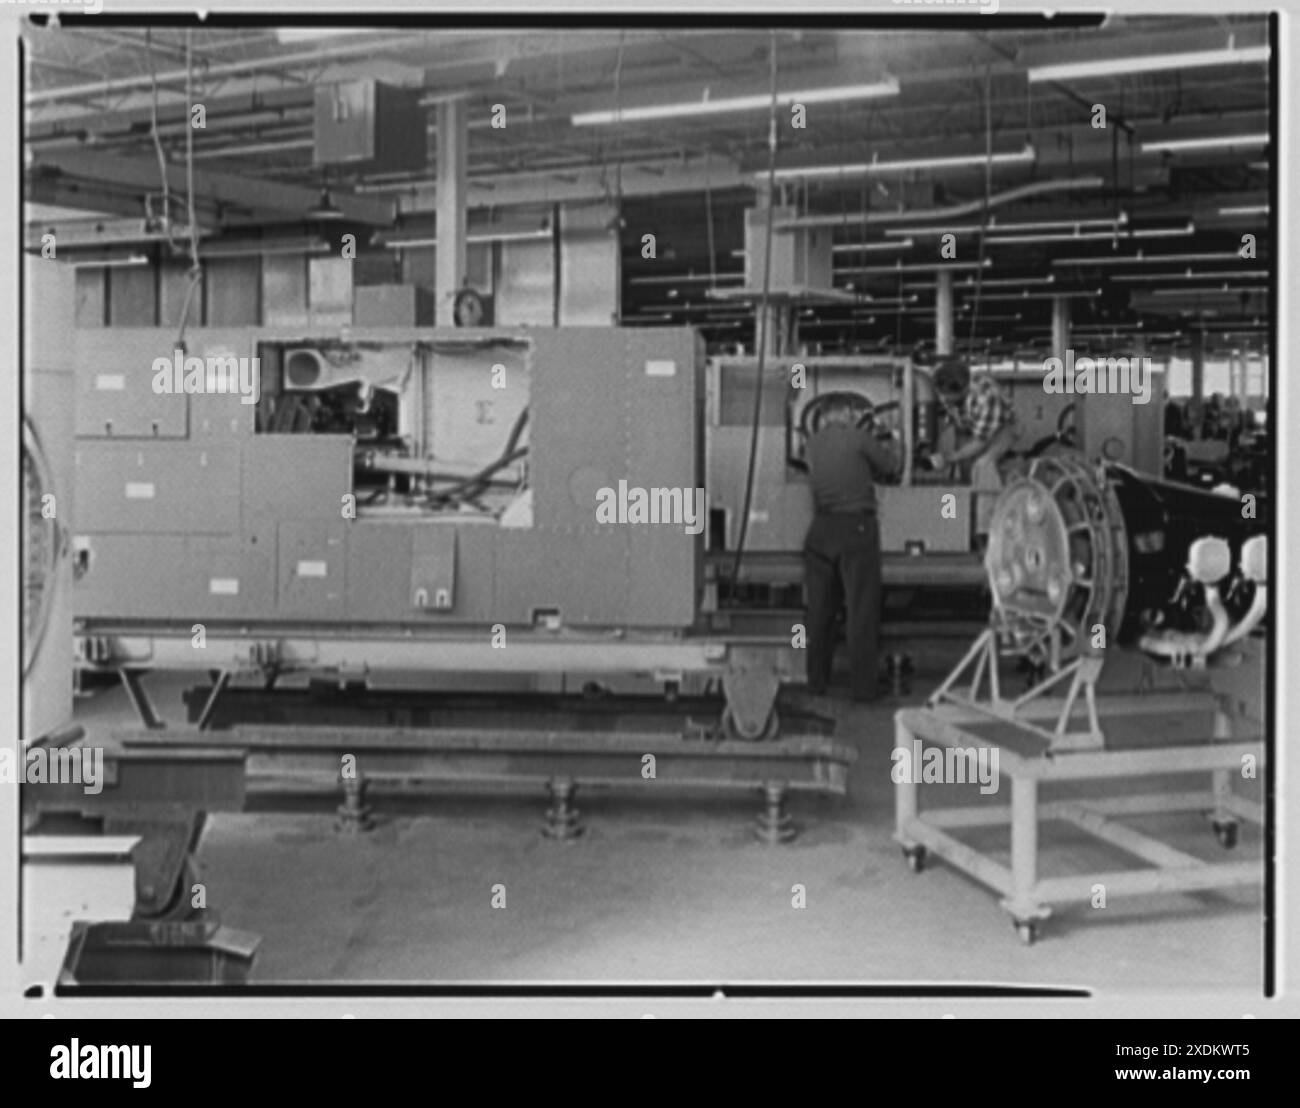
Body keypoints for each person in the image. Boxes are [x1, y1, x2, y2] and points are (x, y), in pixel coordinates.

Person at [802, 394, 900, 702]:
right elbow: (891, 467)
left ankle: (816, 683)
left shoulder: (812, 443)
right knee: (861, 610)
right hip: (855, 529)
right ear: (844, 414)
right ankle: (863, 690)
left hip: (820, 530)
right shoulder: (859, 438)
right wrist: (895, 441)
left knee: (819, 612)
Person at [927, 360, 1016, 539]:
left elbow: (981, 441)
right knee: (965, 474)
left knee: (983, 466)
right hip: (968, 426)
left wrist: (951, 457)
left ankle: (987, 530)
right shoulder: (952, 391)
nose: (942, 400)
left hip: (1002, 428)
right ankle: (962, 524)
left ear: (962, 389)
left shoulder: (988, 397)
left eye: (945, 396)